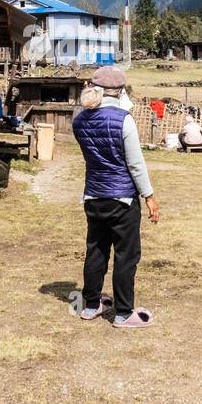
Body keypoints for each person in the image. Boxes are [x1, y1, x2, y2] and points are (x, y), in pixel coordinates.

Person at [72, 66, 159, 329]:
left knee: (96, 251)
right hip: (122, 199)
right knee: (126, 255)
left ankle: (90, 305)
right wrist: (149, 196)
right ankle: (123, 313)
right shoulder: (124, 119)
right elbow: (135, 164)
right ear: (120, 91)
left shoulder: (79, 119)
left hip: (93, 196)